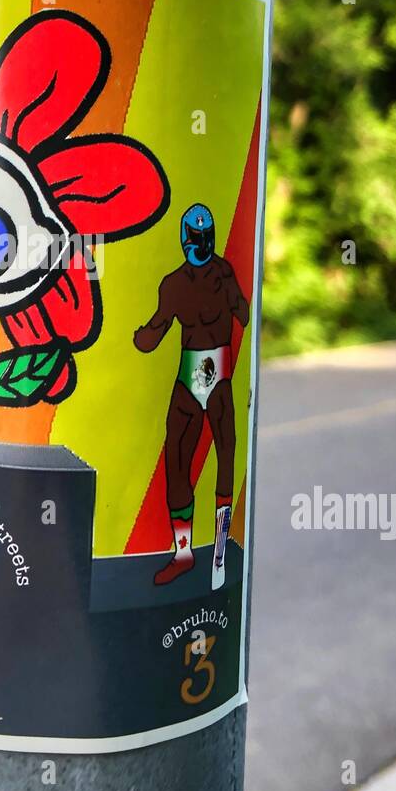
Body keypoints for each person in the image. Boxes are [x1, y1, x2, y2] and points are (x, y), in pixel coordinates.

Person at [133, 204, 249, 587]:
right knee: (193, 460)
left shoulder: (179, 282)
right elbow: (244, 313)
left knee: (207, 458)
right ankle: (195, 551)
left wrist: (141, 337)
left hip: (202, 375)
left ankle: (208, 547)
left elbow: (154, 334)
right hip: (207, 373)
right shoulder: (206, 277)